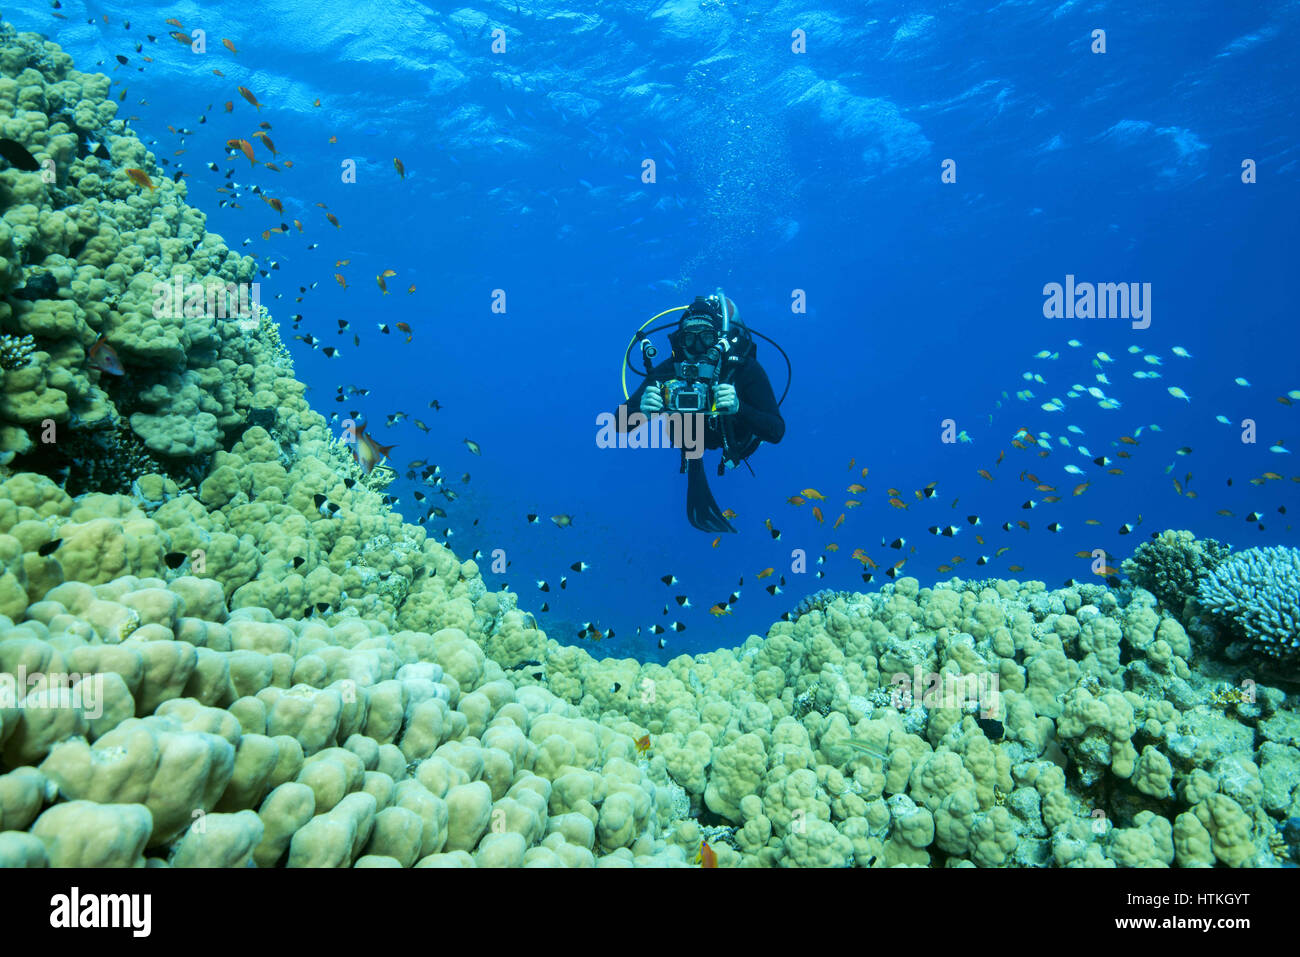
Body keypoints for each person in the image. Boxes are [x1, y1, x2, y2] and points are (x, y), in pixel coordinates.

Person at [616, 293, 785, 532]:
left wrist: (739, 408)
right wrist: (642, 411)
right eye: (689, 338)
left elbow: (776, 431)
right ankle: (693, 461)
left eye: (705, 337)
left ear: (718, 340)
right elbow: (617, 425)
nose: (697, 348)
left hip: (737, 439)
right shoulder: (667, 371)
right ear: (679, 341)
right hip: (689, 438)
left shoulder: (743, 369)